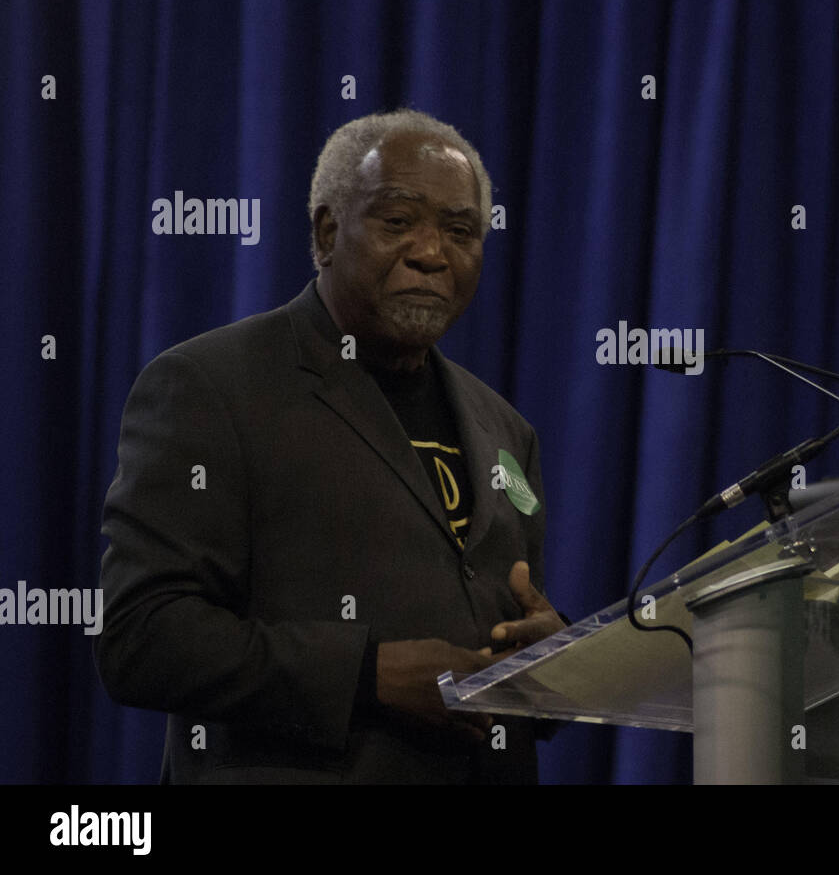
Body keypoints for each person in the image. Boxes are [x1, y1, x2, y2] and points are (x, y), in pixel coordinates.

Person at [94, 108, 564, 783]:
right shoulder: (211, 386)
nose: (432, 252)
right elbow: (142, 637)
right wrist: (367, 674)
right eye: (398, 221)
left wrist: (553, 660)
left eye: (460, 231)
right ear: (327, 232)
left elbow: (510, 623)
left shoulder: (504, 427)